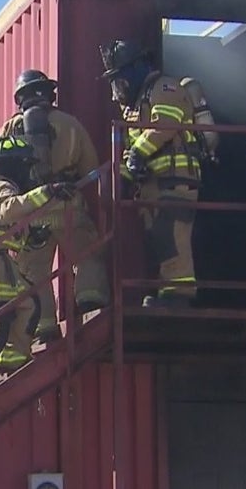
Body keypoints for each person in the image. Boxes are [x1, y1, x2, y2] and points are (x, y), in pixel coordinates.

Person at [0, 135, 76, 404]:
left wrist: (33, 235)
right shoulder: (1, 187)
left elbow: (4, 229)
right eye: (26, 166)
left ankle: (13, 356)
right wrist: (48, 192)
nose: (28, 173)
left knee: (28, 305)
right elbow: (9, 210)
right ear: (14, 166)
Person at [0, 69, 109, 344]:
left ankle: (45, 327)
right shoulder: (71, 124)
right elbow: (91, 167)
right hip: (68, 204)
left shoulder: (9, 129)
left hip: (32, 212)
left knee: (35, 271)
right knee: (87, 253)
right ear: (49, 93)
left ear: (19, 98)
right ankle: (90, 303)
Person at [99, 39, 203, 308]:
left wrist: (137, 154)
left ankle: (179, 295)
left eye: (119, 79)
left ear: (136, 69)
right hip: (154, 183)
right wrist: (123, 176)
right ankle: (168, 289)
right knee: (160, 239)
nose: (118, 88)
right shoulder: (134, 105)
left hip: (176, 178)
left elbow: (165, 125)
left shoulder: (164, 87)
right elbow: (130, 148)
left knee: (173, 236)